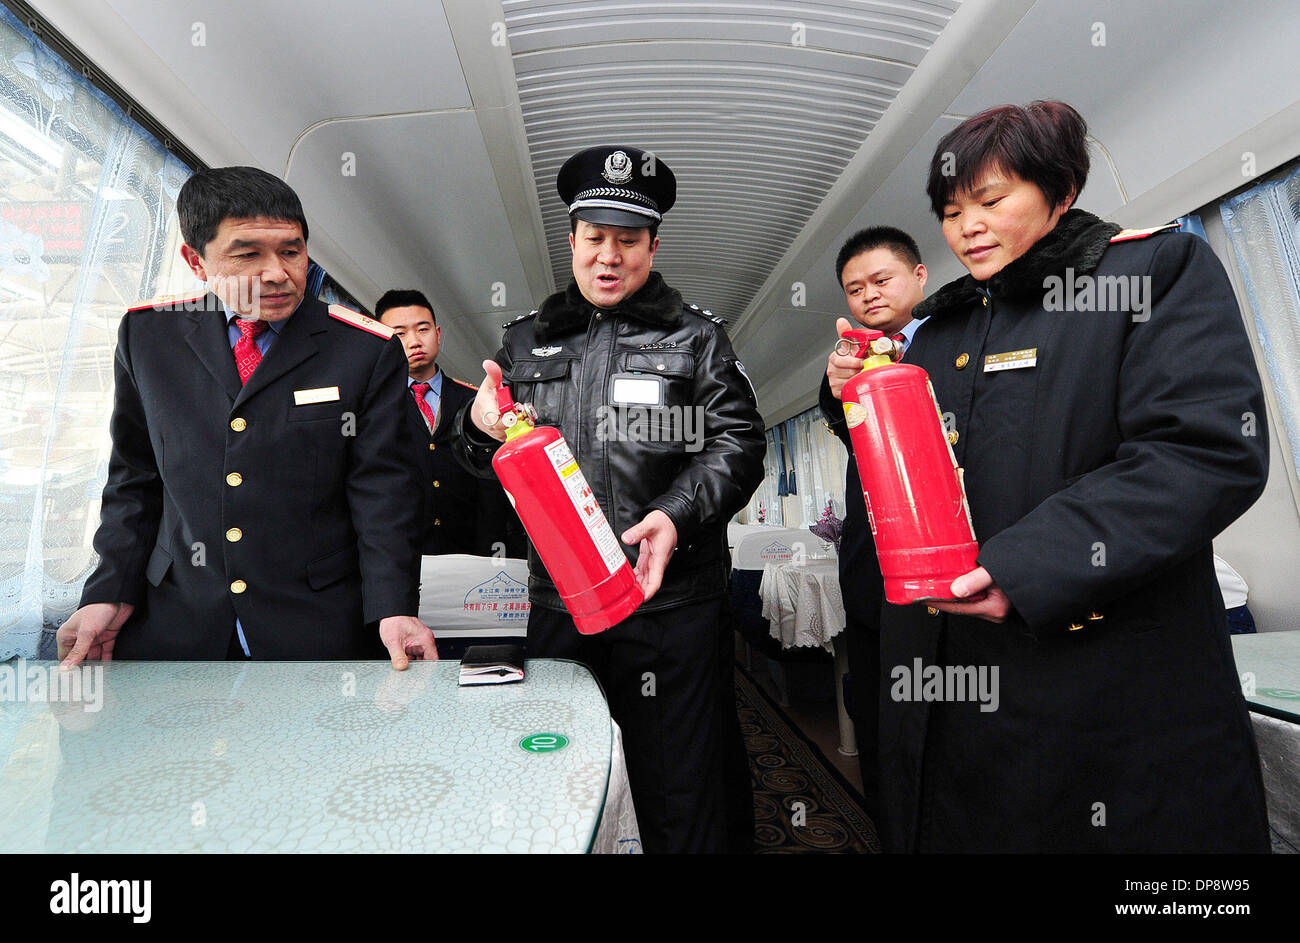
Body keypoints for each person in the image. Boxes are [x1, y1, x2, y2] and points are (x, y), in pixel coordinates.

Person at [873, 101, 1270, 852]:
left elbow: (1205, 450)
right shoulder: (939, 331)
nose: (967, 227)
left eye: (991, 201)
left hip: (1102, 677)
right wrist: (862, 393)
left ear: (1060, 189)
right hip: (958, 677)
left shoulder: (1154, 270)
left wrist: (1023, 569)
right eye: (951, 212)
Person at [451, 145, 766, 853]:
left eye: (628, 241)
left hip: (672, 608)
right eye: (595, 238)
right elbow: (482, 464)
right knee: (562, 776)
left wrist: (675, 514)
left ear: (654, 245)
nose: (609, 256)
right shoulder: (526, 342)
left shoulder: (695, 336)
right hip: (561, 610)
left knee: (679, 787)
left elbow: (739, 444)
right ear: (572, 240)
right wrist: (476, 433)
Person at [58, 166, 436, 667]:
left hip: (318, 623)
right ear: (196, 261)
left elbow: (383, 491)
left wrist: (393, 607)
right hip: (178, 617)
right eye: (248, 254)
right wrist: (109, 590)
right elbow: (135, 477)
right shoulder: (148, 337)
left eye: (291, 250)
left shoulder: (364, 350)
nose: (278, 272)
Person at [818, 226, 927, 823]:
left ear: (918, 276)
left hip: (950, 565)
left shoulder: (961, 338)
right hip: (871, 568)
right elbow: (840, 416)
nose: (869, 296)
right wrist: (842, 387)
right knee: (879, 706)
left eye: (881, 280)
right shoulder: (848, 360)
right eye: (854, 289)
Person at [376, 289, 524, 557]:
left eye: (423, 329)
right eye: (399, 333)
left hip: (473, 553)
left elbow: (493, 487)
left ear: (438, 333)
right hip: (403, 556)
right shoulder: (372, 408)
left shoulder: (476, 402)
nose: (413, 341)